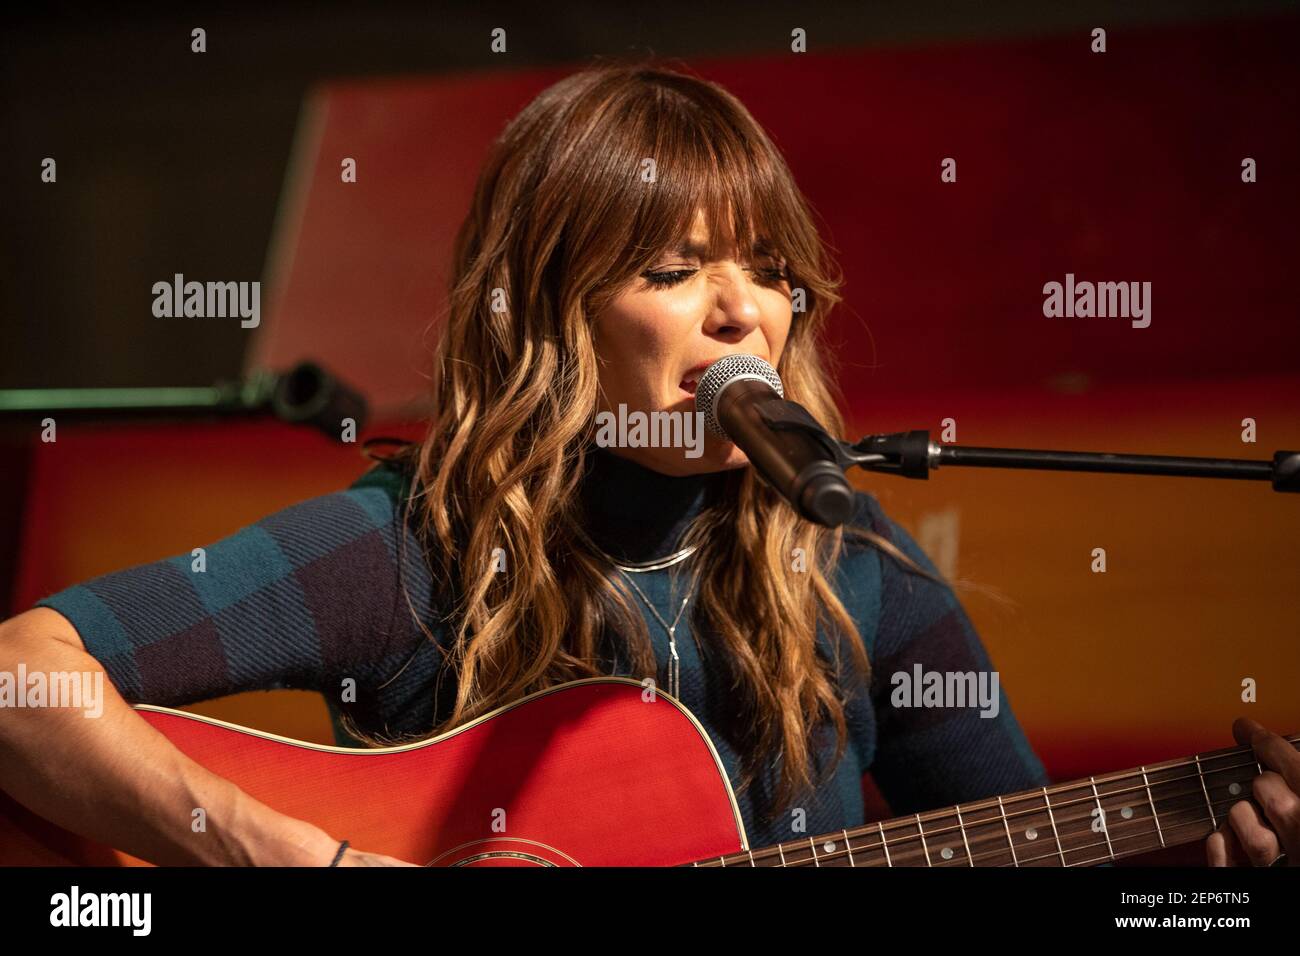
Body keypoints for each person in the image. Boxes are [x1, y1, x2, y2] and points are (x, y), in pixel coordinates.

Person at [0, 61, 1290, 868]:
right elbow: (20, 677)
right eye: (675, 272)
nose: (748, 317)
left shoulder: (860, 570)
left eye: (771, 271)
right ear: (547, 312)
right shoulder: (406, 550)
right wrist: (285, 857)